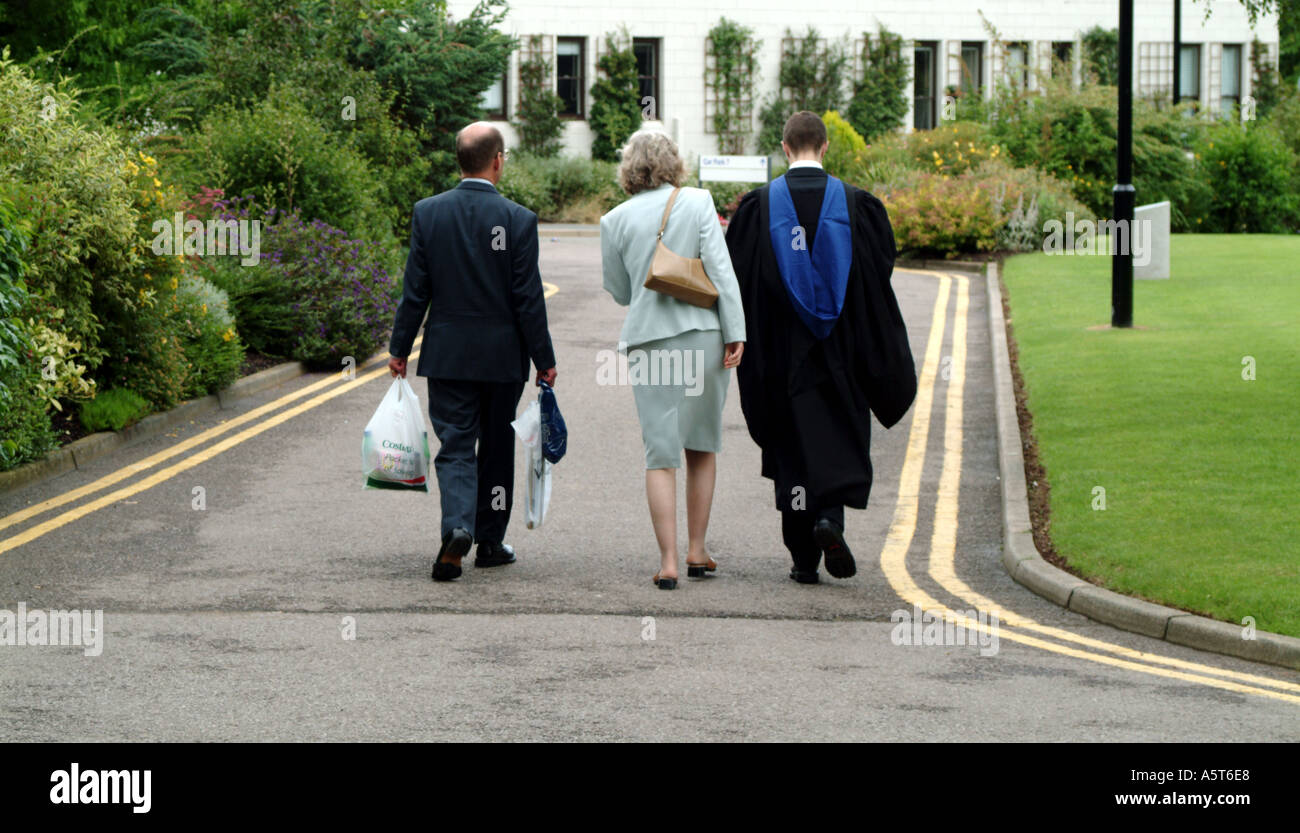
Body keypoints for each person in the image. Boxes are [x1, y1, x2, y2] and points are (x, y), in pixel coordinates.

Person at [725, 111, 917, 585]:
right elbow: (879, 273)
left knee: (792, 447)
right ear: (825, 147)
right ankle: (829, 518)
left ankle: (802, 560)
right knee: (836, 436)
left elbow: (737, 278)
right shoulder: (858, 207)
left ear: (785, 148)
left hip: (781, 357)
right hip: (842, 355)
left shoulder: (757, 208)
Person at [388, 123, 557, 582]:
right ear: (498, 160)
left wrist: (399, 348)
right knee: (498, 449)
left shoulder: (428, 213)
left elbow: (414, 292)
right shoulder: (518, 220)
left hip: (448, 355)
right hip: (503, 360)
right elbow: (527, 298)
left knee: (457, 443)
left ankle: (456, 529)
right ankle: (489, 542)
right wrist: (544, 359)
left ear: (459, 162)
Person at [600, 130, 746, 590]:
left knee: (659, 455)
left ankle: (667, 563)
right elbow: (721, 271)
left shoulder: (614, 220)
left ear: (630, 169)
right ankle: (697, 551)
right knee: (702, 446)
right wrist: (737, 331)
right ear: (673, 163)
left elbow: (622, 292)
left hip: (650, 344)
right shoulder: (699, 202)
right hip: (704, 336)